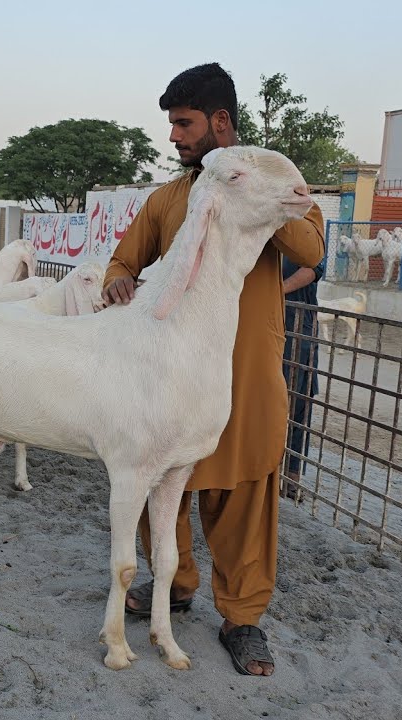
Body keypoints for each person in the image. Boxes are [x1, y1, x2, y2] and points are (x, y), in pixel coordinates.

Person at [102, 62, 324, 677]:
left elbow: (310, 251)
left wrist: (260, 192)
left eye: (184, 123)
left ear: (220, 122)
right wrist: (119, 281)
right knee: (161, 489)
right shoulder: (169, 199)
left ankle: (243, 618)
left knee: (245, 497)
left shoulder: (276, 183)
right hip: (170, 382)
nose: (174, 136)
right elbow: (123, 260)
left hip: (246, 377)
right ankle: (175, 586)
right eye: (173, 124)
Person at [281, 253, 326, 500]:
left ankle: (291, 477)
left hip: (299, 331)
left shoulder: (306, 236)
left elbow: (314, 267)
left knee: (298, 405)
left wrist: (276, 290)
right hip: (270, 327)